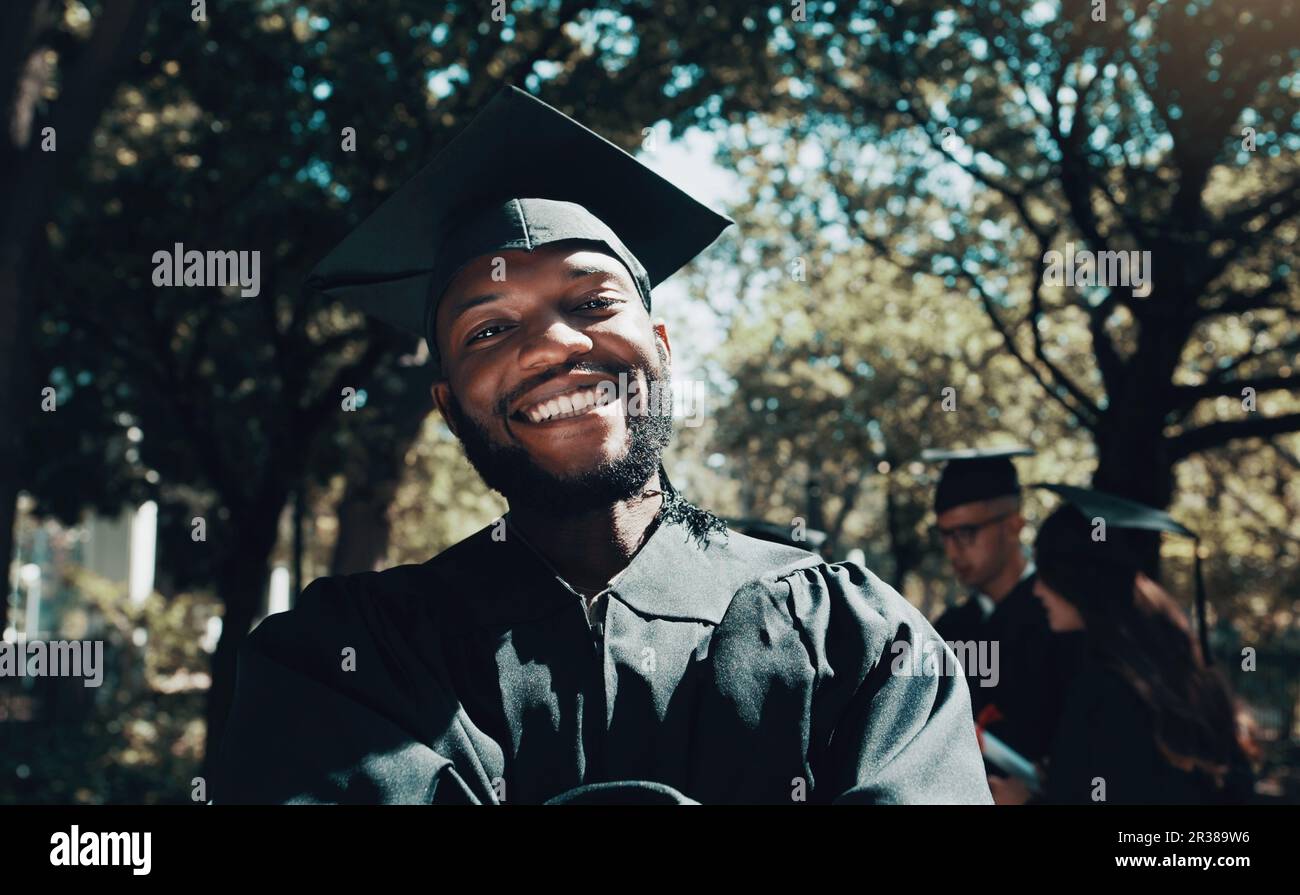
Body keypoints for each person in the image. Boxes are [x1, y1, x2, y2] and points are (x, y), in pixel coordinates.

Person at [212, 85, 991, 805]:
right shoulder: (351, 662)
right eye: (488, 327)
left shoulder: (854, 640)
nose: (553, 344)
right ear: (448, 406)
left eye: (591, 300)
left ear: (660, 345)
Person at [987, 486, 1255, 805]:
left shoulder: (1106, 690)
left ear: (1076, 580)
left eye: (1046, 574)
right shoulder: (1177, 675)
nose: (1037, 591)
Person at [926, 447, 1081, 765]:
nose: (953, 551)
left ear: (1014, 525)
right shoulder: (949, 629)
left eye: (967, 533)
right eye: (945, 535)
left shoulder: (1064, 620)